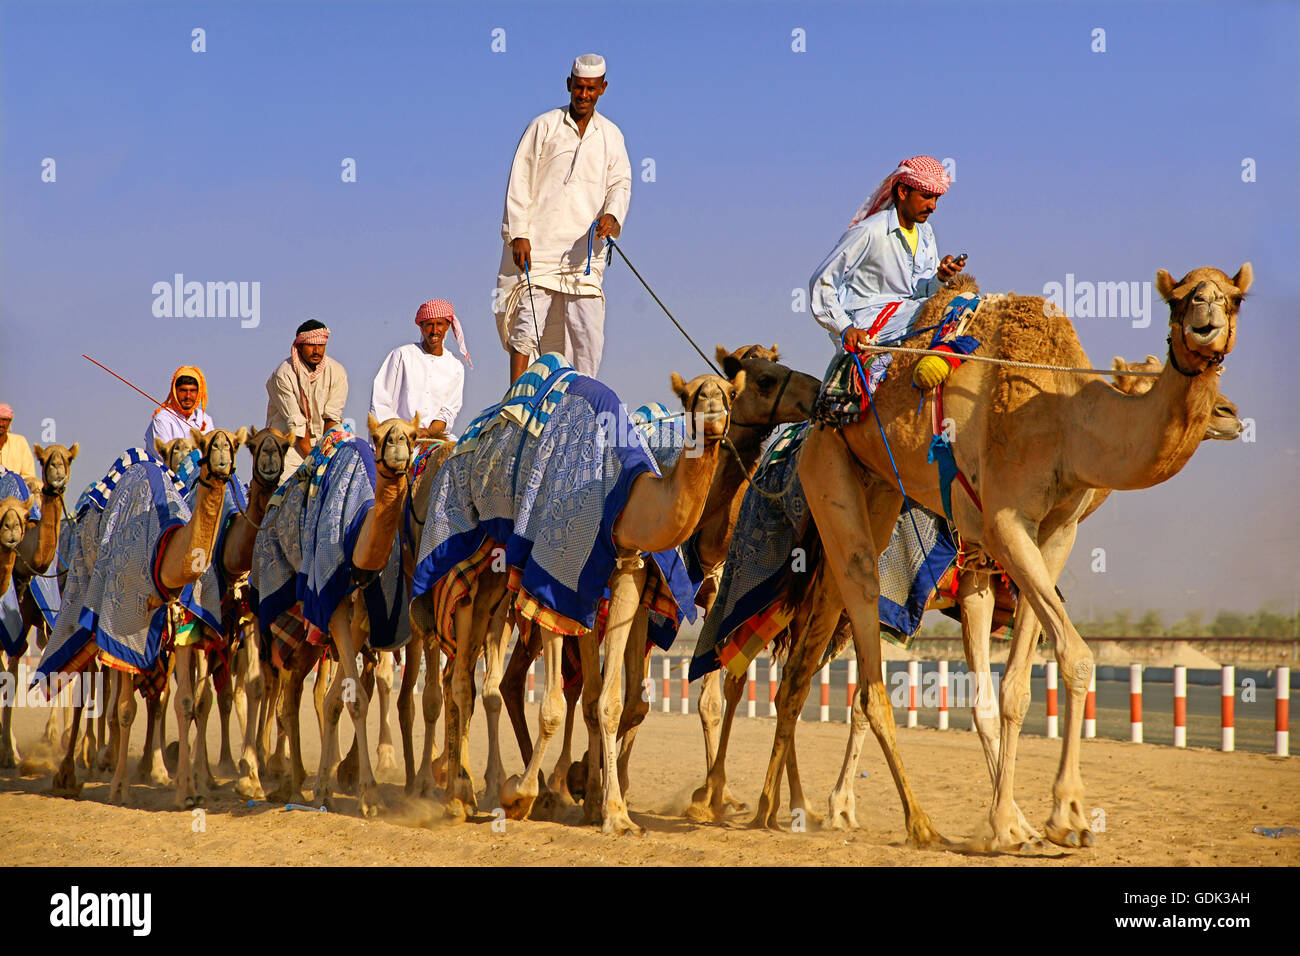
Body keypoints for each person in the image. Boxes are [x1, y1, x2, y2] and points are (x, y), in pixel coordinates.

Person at [495, 53, 632, 383]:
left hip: (584, 256)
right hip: (539, 248)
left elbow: (620, 182)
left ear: (603, 89)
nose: (583, 95)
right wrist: (519, 234)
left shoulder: (611, 135)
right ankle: (517, 397)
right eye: (578, 88)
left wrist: (611, 216)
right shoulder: (543, 126)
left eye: (591, 89)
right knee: (527, 327)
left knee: (587, 335)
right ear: (569, 85)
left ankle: (581, 403)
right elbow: (520, 179)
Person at [809, 155, 965, 354]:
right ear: (903, 191)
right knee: (951, 311)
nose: (933, 206)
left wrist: (941, 278)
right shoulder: (869, 231)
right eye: (926, 197)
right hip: (870, 323)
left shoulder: (926, 234)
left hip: (907, 314)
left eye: (936, 199)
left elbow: (919, 292)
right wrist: (844, 327)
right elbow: (822, 281)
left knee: (964, 307)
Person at [370, 298, 469, 440]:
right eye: (429, 325)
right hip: (400, 437)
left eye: (439, 324)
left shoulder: (455, 366)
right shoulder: (402, 355)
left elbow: (449, 410)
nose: (434, 331)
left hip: (437, 437)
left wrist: (428, 433)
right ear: (421, 327)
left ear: (447, 326)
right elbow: (381, 401)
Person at [266, 319, 348, 479]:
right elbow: (296, 426)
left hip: (326, 444)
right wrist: (314, 460)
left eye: (321, 346)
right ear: (300, 346)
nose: (317, 351)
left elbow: (332, 417)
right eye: (311, 345)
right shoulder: (283, 374)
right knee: (282, 490)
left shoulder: (337, 372)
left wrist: (323, 457)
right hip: (290, 445)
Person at [144, 367, 214, 454]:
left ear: (198, 392)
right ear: (175, 392)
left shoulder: (205, 420)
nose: (188, 396)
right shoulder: (162, 420)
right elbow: (164, 457)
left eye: (192, 391)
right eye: (183, 391)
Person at [0, 403, 38, 488]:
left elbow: (29, 476)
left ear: (9, 422)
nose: (1, 424)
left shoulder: (20, 442)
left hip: (15, 493)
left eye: (4, 420)